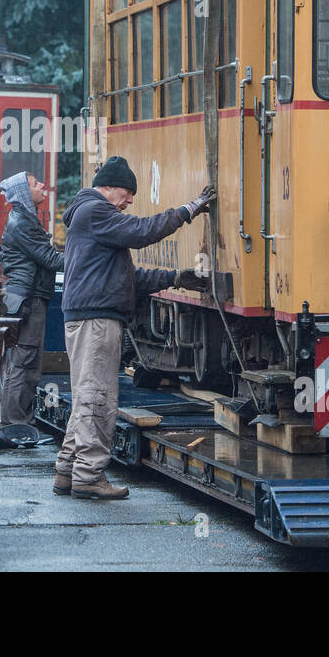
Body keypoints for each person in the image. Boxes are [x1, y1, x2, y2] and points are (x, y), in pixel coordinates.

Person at [54, 155, 213, 500]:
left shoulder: (91, 218)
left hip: (88, 316)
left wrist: (175, 278)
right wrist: (187, 211)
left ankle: (68, 470)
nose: (129, 201)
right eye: (127, 193)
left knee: (86, 397)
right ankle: (89, 476)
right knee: (98, 397)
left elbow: (130, 277)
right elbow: (141, 232)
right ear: (108, 187)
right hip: (96, 320)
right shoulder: (96, 211)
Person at [0, 170, 64, 432]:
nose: (43, 186)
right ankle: (13, 423)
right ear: (26, 193)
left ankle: (21, 422)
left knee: (28, 362)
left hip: (27, 296)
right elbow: (50, 259)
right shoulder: (23, 222)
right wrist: (87, 258)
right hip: (29, 298)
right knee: (24, 362)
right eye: (36, 184)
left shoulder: (23, 218)